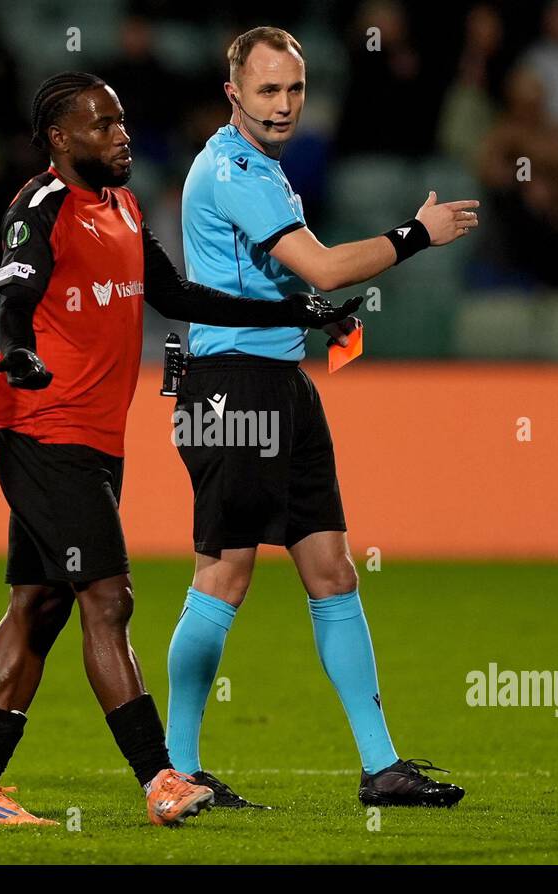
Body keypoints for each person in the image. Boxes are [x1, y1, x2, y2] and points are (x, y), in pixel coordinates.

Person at [0, 71, 363, 827]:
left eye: (123, 121)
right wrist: (17, 353)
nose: (121, 135)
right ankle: (161, 777)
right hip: (44, 434)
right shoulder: (43, 205)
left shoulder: (124, 208)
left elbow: (182, 298)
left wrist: (293, 308)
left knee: (37, 604)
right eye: (102, 125)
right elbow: (15, 299)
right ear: (61, 140)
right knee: (110, 596)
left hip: (93, 442)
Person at [164, 26, 477, 809]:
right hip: (231, 388)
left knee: (332, 568)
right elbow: (327, 262)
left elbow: (269, 280)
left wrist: (313, 316)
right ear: (234, 93)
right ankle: (174, 766)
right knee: (225, 574)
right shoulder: (235, 168)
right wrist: (416, 235)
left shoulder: (261, 168)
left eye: (294, 89)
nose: (283, 104)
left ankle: (382, 768)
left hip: (280, 383)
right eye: (267, 90)